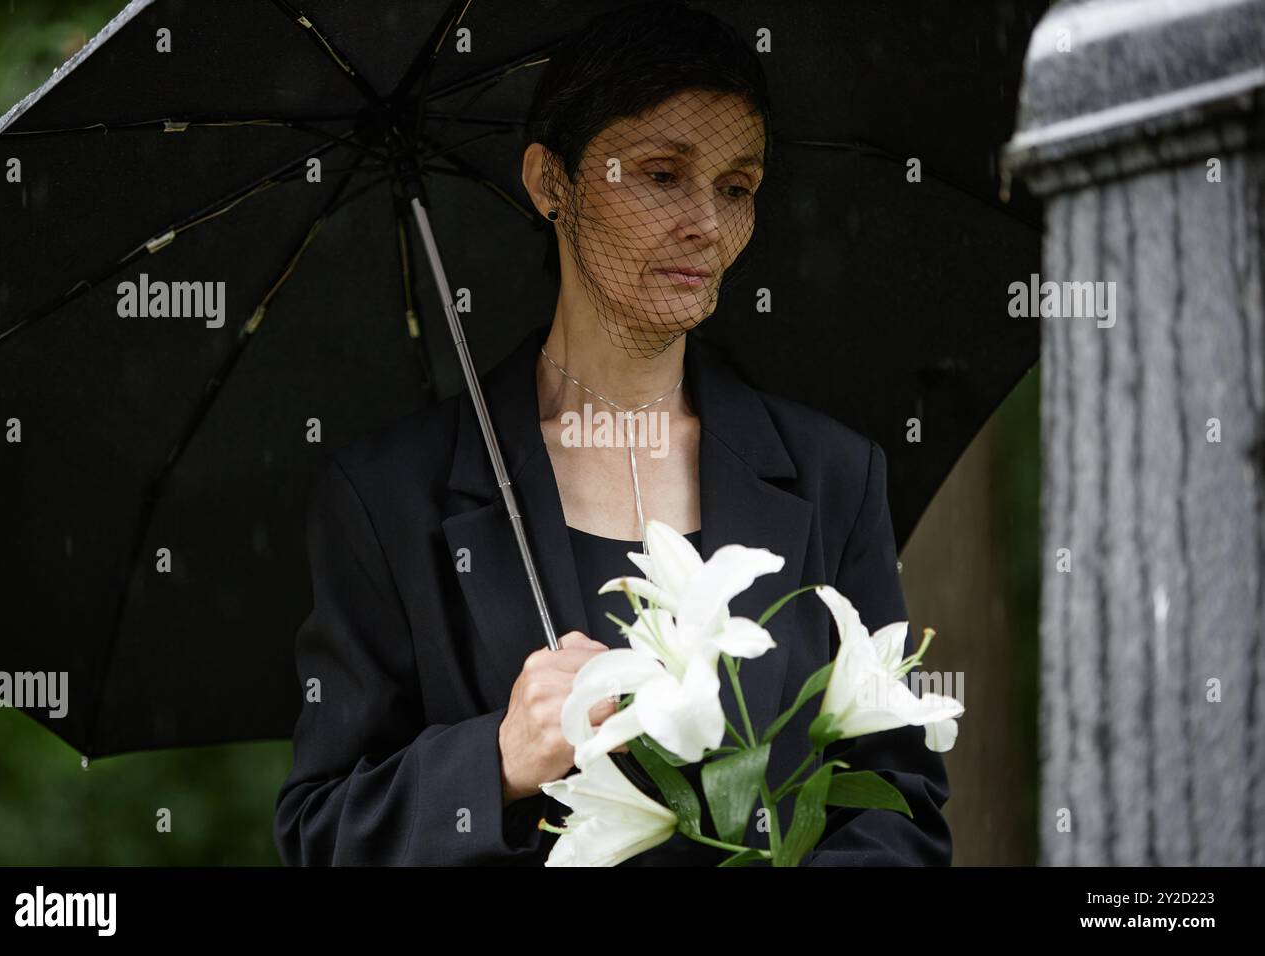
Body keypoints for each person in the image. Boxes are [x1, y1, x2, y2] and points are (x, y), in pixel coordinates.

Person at [274, 0, 951, 866]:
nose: (707, 223)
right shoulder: (387, 499)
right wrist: (496, 761)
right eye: (664, 175)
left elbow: (905, 809)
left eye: (737, 187)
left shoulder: (832, 476)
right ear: (551, 182)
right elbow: (320, 834)